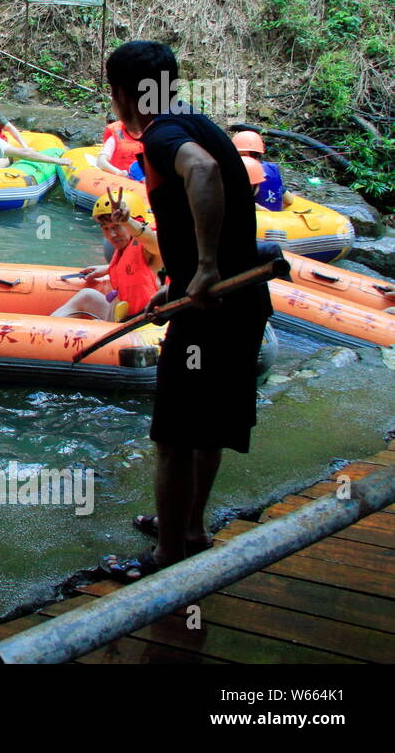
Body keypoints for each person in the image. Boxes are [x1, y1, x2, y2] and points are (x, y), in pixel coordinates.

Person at [98, 40, 272, 583]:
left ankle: (168, 557)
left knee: (173, 436)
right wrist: (177, 281)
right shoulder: (196, 121)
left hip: (212, 307)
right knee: (207, 426)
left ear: (123, 94)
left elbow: (203, 174)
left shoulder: (166, 136)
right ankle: (189, 528)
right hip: (237, 303)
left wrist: (204, 266)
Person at [52, 188, 162, 320]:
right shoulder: (123, 249)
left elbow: (153, 242)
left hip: (145, 325)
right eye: (106, 228)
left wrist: (127, 221)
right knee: (87, 296)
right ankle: (44, 332)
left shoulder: (149, 245)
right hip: (124, 319)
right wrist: (107, 268)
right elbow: (131, 268)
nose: (112, 235)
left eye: (116, 227)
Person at [233, 130, 294, 211]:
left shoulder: (245, 169)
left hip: (261, 219)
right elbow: (289, 200)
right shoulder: (272, 168)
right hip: (277, 218)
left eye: (242, 155)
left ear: (254, 154)